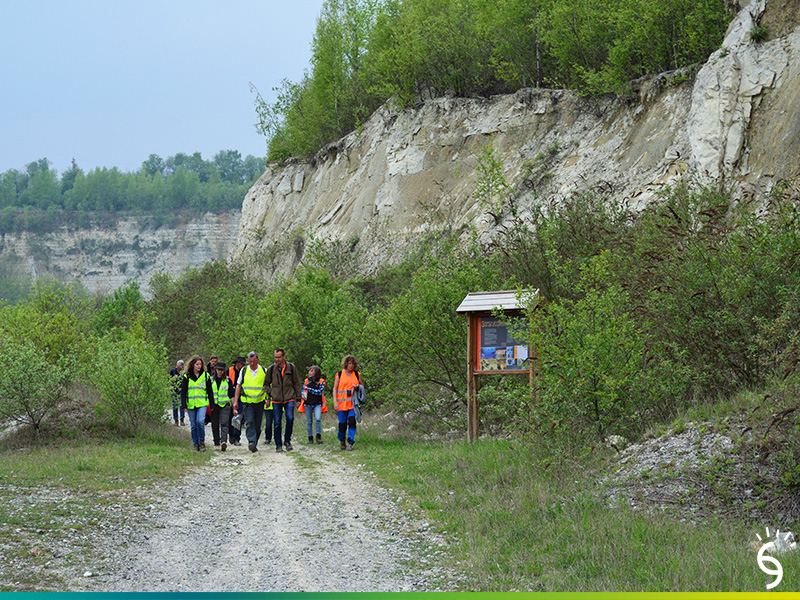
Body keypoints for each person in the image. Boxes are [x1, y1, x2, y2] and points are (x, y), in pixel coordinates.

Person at [232, 351, 269, 453]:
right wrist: (235, 401)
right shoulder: (244, 371)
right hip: (247, 402)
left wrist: (268, 398)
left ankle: (254, 442)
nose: (252, 364)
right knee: (249, 422)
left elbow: (267, 387)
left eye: (254, 361)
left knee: (257, 424)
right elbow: (238, 386)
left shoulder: (263, 370)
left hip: (260, 401)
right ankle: (251, 442)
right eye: (250, 362)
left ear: (257, 360)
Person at [266, 348, 301, 453]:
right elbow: (266, 384)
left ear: (284, 356)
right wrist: (270, 393)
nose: (277, 359)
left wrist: (298, 398)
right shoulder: (271, 369)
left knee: (290, 418)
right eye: (275, 357)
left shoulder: (291, 367)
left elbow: (296, 383)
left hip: (289, 397)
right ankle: (278, 444)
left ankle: (287, 440)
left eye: (279, 357)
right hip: (276, 399)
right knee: (277, 422)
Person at [180, 355, 214, 452]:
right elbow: (183, 392)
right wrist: (184, 405)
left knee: (200, 422)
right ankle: (196, 443)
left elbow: (210, 391)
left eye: (200, 364)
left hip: (202, 403)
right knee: (193, 425)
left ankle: (202, 442)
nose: (199, 366)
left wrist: (212, 404)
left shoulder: (205, 376)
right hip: (191, 404)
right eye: (197, 364)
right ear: (193, 365)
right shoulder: (187, 376)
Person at [333, 355, 363, 451]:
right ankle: (342, 441)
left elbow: (362, 387)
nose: (351, 365)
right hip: (341, 405)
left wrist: (357, 387)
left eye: (353, 363)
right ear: (346, 363)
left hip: (353, 404)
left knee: (352, 422)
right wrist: (335, 402)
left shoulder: (357, 374)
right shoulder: (339, 374)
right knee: (342, 424)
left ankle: (350, 442)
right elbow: (335, 388)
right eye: (349, 363)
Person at [211, 362, 234, 451]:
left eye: (221, 370)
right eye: (218, 369)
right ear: (215, 370)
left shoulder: (228, 380)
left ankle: (223, 441)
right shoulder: (211, 380)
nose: (220, 372)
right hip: (214, 405)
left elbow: (231, 393)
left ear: (224, 370)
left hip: (225, 405)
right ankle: (216, 442)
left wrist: (234, 405)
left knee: (224, 423)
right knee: (215, 424)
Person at [302, 365, 326, 444]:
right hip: (307, 403)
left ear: (316, 372)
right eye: (309, 371)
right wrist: (303, 395)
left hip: (317, 403)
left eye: (312, 371)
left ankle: (318, 436)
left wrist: (309, 389)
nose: (309, 372)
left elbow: (319, 391)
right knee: (309, 421)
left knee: (318, 419)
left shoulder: (322, 381)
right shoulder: (306, 381)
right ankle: (310, 438)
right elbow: (303, 391)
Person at [227, 356, 246, 446]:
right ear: (237, 363)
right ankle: (231, 434)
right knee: (229, 417)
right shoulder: (229, 370)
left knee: (238, 417)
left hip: (240, 396)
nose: (242, 365)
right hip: (229, 396)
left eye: (243, 364)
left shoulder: (245, 371)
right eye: (241, 363)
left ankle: (236, 438)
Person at [169, 359, 185, 426]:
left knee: (182, 405)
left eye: (181, 365)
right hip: (174, 390)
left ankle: (182, 420)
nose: (180, 366)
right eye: (179, 365)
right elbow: (169, 380)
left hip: (181, 390)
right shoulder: (173, 371)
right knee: (175, 405)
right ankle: (176, 420)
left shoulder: (183, 372)